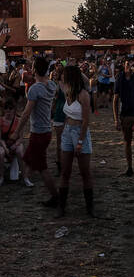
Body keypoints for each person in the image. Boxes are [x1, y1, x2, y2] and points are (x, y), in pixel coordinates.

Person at [46, 63, 96, 216]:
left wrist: (80, 141)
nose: (62, 77)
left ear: (70, 78)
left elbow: (86, 121)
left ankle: (90, 208)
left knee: (84, 172)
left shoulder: (83, 95)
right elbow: (55, 79)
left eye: (65, 75)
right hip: (67, 131)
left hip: (80, 132)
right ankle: (61, 207)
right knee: (65, 171)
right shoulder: (67, 91)